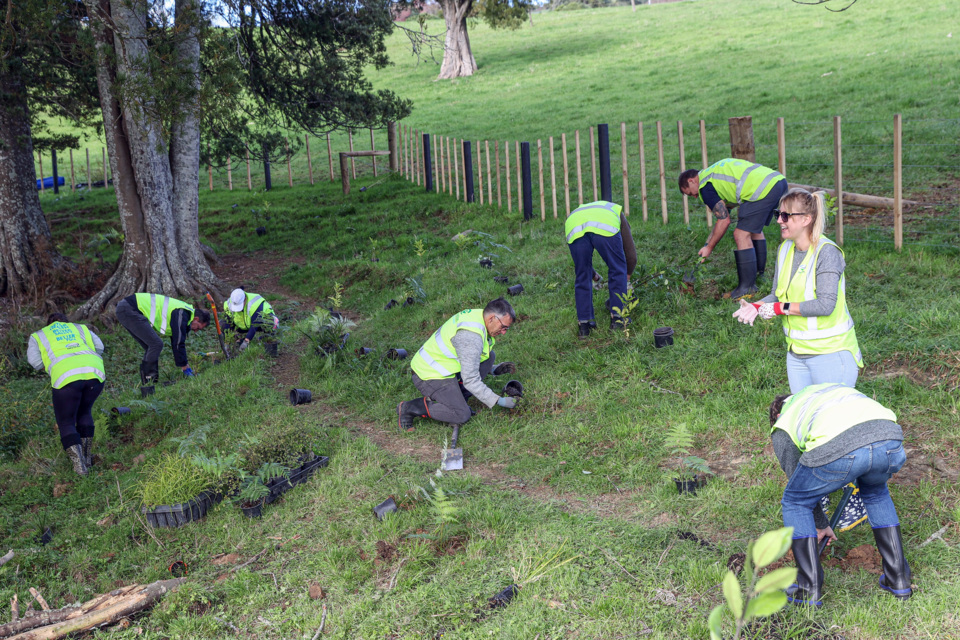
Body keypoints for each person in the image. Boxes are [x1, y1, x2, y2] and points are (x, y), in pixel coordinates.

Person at [769, 383, 911, 606]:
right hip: (890, 439)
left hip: (844, 448)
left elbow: (797, 480)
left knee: (795, 501)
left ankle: (808, 589)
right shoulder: (822, 394)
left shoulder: (784, 422)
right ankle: (899, 580)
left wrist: (819, 523)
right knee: (876, 493)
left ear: (777, 415)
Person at [732, 188, 862, 392]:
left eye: (785, 216)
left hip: (831, 354)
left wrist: (778, 309)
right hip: (796, 355)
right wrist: (756, 307)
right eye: (778, 214)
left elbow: (825, 305)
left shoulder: (827, 253)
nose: (779, 221)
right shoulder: (785, 249)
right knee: (802, 413)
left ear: (806, 219)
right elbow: (777, 294)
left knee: (828, 413)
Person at [397, 298, 519, 432]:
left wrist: (493, 369)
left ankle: (459, 398)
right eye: (503, 327)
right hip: (429, 373)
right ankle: (409, 408)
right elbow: (471, 380)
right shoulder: (471, 337)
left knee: (490, 356)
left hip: (441, 364)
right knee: (461, 414)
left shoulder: (480, 316)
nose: (504, 332)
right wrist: (498, 400)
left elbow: (469, 356)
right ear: (492, 318)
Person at [678, 158, 788, 299]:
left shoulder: (704, 187)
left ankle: (747, 288)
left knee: (740, 234)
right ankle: (759, 276)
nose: (694, 196)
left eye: (690, 193)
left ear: (692, 181)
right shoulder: (712, 173)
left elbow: (724, 221)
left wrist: (709, 248)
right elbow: (723, 216)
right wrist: (707, 244)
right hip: (777, 181)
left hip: (761, 190)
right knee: (753, 230)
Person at [27, 313, 106, 476]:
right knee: (85, 412)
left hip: (65, 376)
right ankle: (87, 460)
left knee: (66, 422)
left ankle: (80, 468)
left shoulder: (39, 335)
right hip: (95, 372)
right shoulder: (81, 328)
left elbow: (36, 363)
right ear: (67, 322)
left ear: (48, 324)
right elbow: (100, 348)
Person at [564, 200, 638, 337]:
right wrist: (626, 277)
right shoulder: (617, 213)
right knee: (617, 269)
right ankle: (617, 319)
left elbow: (582, 264)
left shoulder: (582, 211)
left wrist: (594, 276)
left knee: (582, 274)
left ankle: (584, 325)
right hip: (605, 225)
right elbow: (631, 256)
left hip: (573, 224)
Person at [115, 293, 210, 388]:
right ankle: (150, 382)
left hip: (126, 307)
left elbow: (176, 340)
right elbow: (178, 342)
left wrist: (183, 364)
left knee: (150, 346)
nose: (196, 331)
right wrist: (185, 367)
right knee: (156, 344)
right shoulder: (182, 314)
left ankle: (148, 384)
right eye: (198, 327)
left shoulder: (184, 313)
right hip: (130, 308)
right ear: (196, 319)